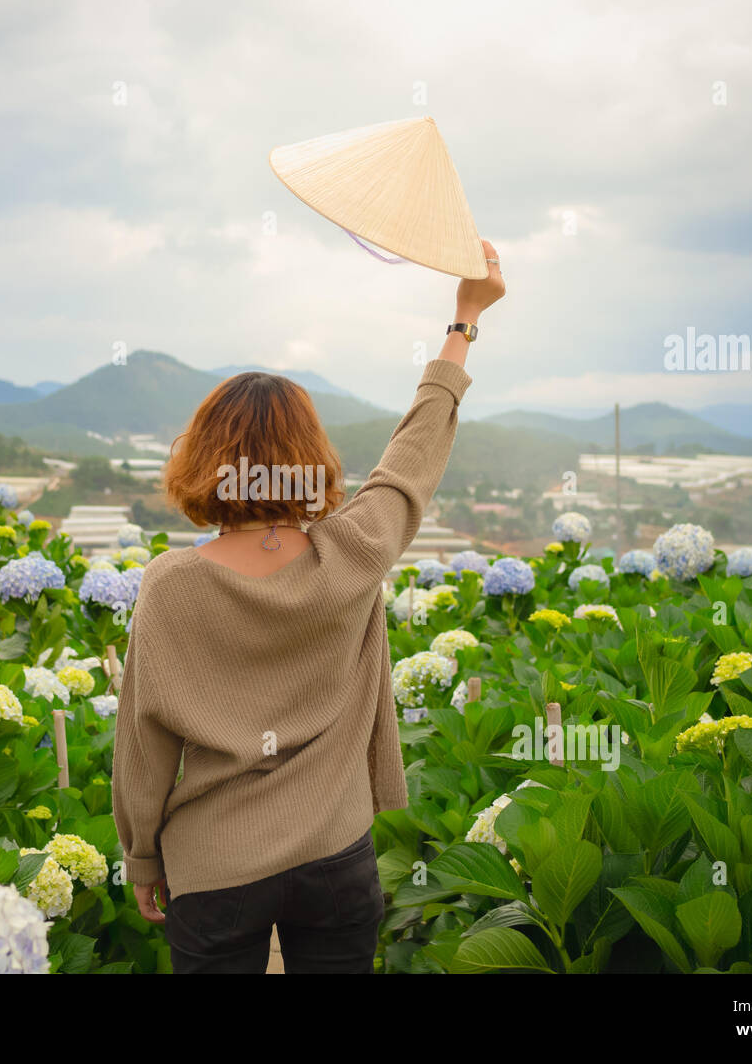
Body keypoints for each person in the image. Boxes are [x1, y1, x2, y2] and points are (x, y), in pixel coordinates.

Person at [111, 240, 506, 974]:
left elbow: (144, 746)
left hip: (215, 868)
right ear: (311, 456)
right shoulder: (350, 550)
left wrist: (141, 856)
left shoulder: (170, 586)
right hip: (335, 856)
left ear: (202, 460)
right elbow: (410, 458)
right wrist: (466, 315)